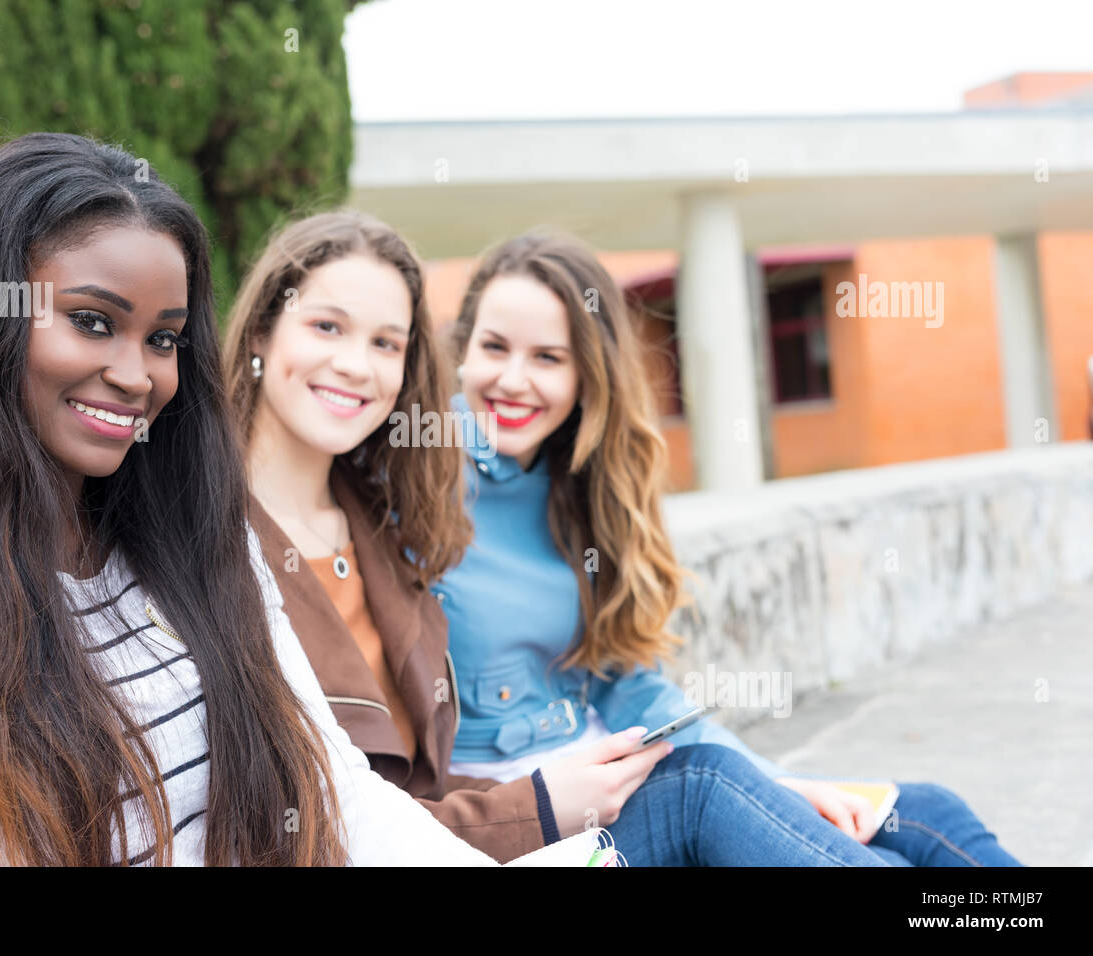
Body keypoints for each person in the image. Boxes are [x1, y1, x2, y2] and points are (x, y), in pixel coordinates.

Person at [0, 133, 509, 866]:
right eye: (93, 322)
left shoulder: (202, 545)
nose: (138, 375)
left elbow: (338, 796)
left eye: (163, 338)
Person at [224, 209, 917, 865]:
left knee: (907, 818)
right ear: (260, 330)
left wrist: (774, 783)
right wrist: (542, 805)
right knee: (708, 791)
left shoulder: (372, 508)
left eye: (385, 343)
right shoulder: (228, 545)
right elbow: (337, 817)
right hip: (477, 823)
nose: (355, 364)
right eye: (326, 327)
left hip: (506, 806)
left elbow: (620, 680)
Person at [435, 229, 1024, 867]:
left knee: (926, 812)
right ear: (461, 349)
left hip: (614, 770)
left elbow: (624, 680)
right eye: (494, 347)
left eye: (548, 358)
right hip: (526, 809)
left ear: (588, 375)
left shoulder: (579, 485)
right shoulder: (415, 481)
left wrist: (774, 782)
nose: (513, 379)